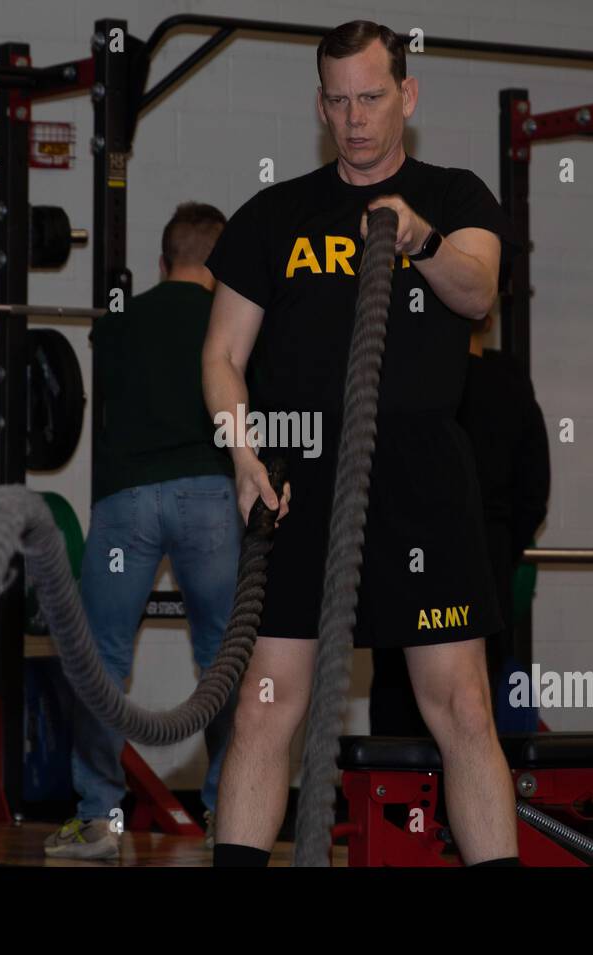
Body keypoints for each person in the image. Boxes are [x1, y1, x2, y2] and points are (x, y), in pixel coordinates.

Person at [202, 20, 524, 867]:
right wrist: (242, 452)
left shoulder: (455, 199)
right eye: (338, 101)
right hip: (301, 478)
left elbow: (480, 290)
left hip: (419, 476)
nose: (355, 118)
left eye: (372, 97)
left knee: (461, 708)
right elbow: (222, 355)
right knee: (267, 708)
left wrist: (418, 239)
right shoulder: (275, 216)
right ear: (320, 105)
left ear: (406, 96)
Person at [45, 202, 240, 861]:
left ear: (163, 262)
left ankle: (100, 821)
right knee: (223, 659)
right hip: (210, 498)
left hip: (127, 502)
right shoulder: (227, 317)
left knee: (101, 660)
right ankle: (228, 817)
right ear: (217, 264)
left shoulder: (120, 322)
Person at [370, 311, 551, 739]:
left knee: (398, 674)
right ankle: (467, 801)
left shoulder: (400, 374)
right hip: (484, 549)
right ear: (487, 320)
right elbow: (534, 488)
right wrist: (503, 546)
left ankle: (394, 799)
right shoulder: (511, 386)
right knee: (474, 687)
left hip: (408, 541)